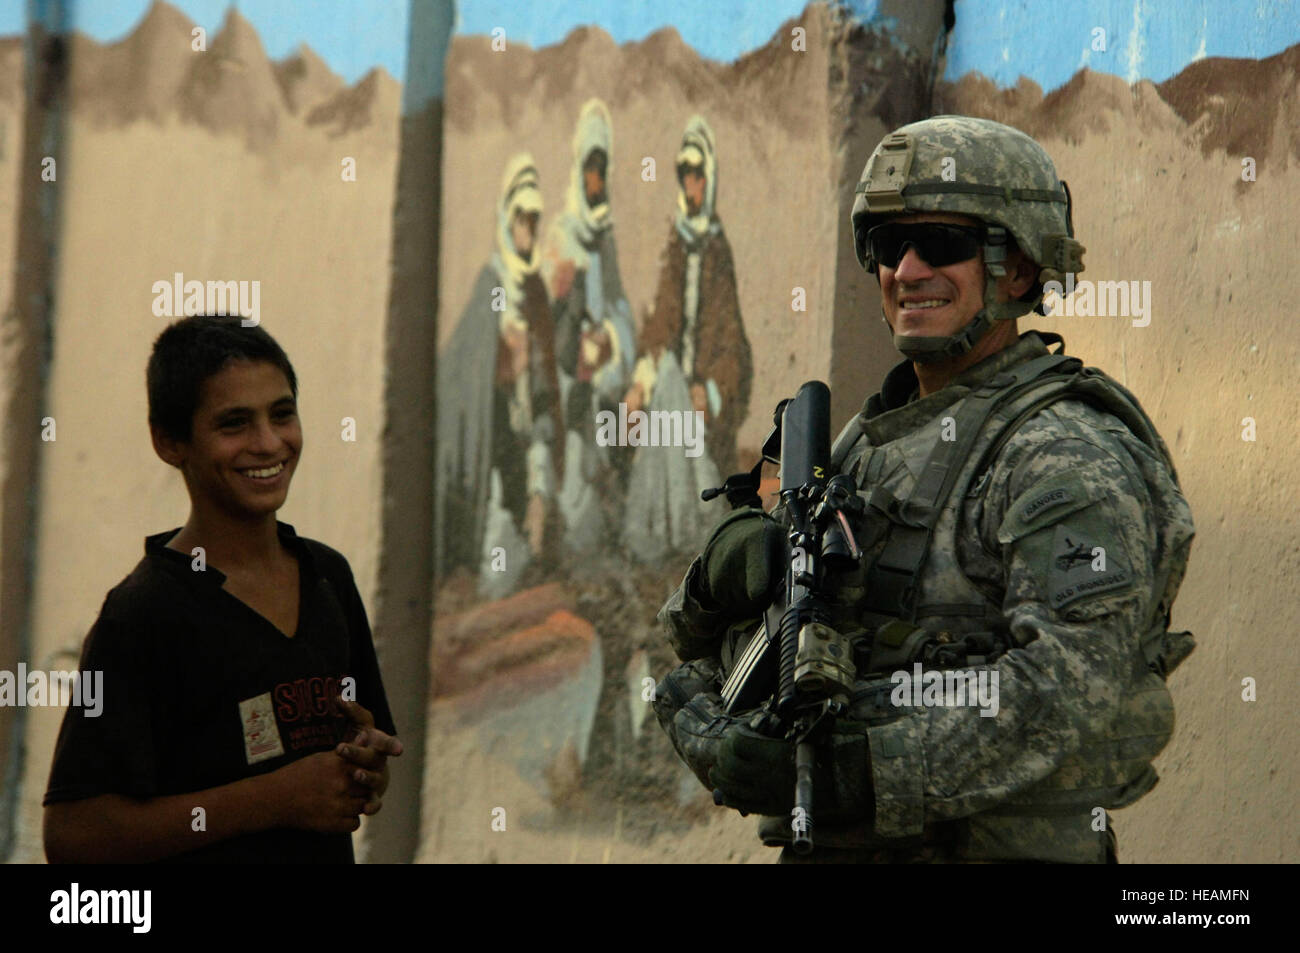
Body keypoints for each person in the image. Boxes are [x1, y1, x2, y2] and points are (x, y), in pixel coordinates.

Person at [652, 116, 1196, 863]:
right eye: (887, 246)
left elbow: (1068, 688)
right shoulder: (866, 444)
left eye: (942, 244)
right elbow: (725, 645)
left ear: (1020, 268)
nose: (907, 270)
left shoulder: (1062, 452)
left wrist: (855, 772)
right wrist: (721, 580)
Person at [42, 315, 401, 863]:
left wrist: (363, 771)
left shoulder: (327, 577)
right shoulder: (144, 614)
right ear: (169, 442)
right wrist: (275, 799)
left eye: (282, 414)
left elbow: (355, 751)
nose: (268, 443)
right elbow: (73, 835)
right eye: (234, 424)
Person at [622, 115, 752, 562]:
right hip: (673, 391)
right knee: (667, 384)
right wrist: (642, 379)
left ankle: (685, 529)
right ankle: (663, 531)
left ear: (708, 178)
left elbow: (731, 343)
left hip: (699, 402)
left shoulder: (718, 251)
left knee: (678, 394)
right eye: (684, 174)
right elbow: (661, 322)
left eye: (697, 174)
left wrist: (711, 390)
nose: (691, 183)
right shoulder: (676, 244)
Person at [435, 153, 563, 597]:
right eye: (520, 218)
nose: (528, 229)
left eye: (534, 218)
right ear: (506, 221)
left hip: (523, 455)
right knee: (493, 577)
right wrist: (502, 362)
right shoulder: (490, 285)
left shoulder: (535, 291)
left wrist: (541, 487)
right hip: (491, 457)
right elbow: (463, 376)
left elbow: (546, 392)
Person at [541, 99, 637, 555]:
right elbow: (551, 318)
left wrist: (612, 341)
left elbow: (619, 306)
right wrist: (582, 343)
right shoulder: (563, 233)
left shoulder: (607, 238)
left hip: (601, 370)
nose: (595, 181)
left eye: (602, 170)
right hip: (568, 372)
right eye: (589, 169)